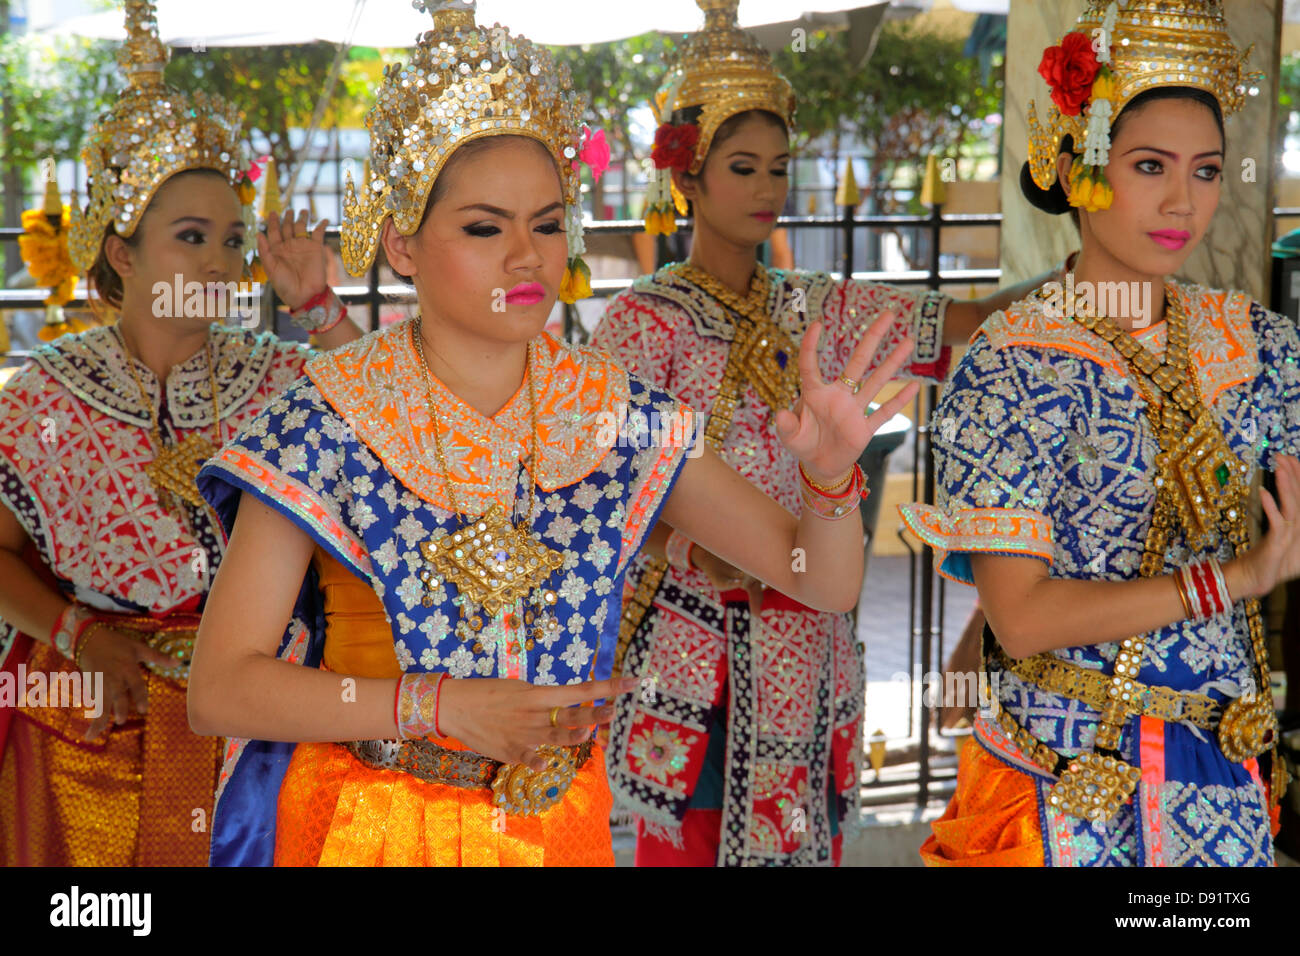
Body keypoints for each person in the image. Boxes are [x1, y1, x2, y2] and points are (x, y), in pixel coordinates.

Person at [187, 0, 916, 868]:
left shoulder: (616, 410)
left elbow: (820, 581)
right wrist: (434, 706)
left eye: (546, 222)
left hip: (553, 827)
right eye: (485, 227)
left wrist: (831, 481)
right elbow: (220, 689)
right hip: (373, 827)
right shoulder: (327, 415)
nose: (527, 256)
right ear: (403, 243)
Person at [590, 0, 1055, 866]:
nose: (769, 189)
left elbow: (975, 325)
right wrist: (704, 555)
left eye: (778, 167)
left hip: (810, 650)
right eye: (742, 168)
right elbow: (604, 499)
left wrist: (1091, 277)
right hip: (699, 655)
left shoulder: (823, 307)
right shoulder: (639, 327)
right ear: (686, 178)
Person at [900, 0, 1297, 866]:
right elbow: (1027, 615)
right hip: (1064, 782)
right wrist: (1235, 579)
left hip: (1219, 782)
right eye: (1150, 165)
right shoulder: (1010, 362)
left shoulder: (1258, 344)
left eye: (1205, 170)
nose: (1181, 201)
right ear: (1079, 165)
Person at [0, 0, 361, 866]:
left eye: (232, 241)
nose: (219, 264)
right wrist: (79, 633)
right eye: (191, 237)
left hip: (254, 723)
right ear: (124, 254)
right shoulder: (46, 391)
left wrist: (318, 307)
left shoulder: (277, 376)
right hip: (90, 710)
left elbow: (401, 425)